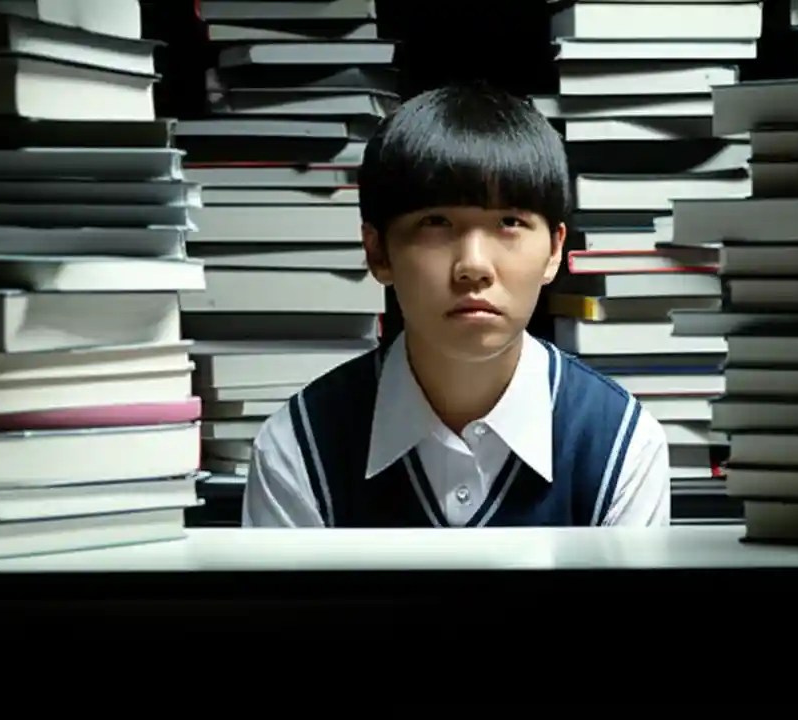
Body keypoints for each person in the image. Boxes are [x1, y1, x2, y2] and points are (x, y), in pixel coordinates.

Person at [240, 82, 670, 528]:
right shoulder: (298, 449)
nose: (473, 266)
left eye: (510, 222)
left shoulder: (622, 447)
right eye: (436, 223)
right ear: (378, 251)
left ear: (554, 251)